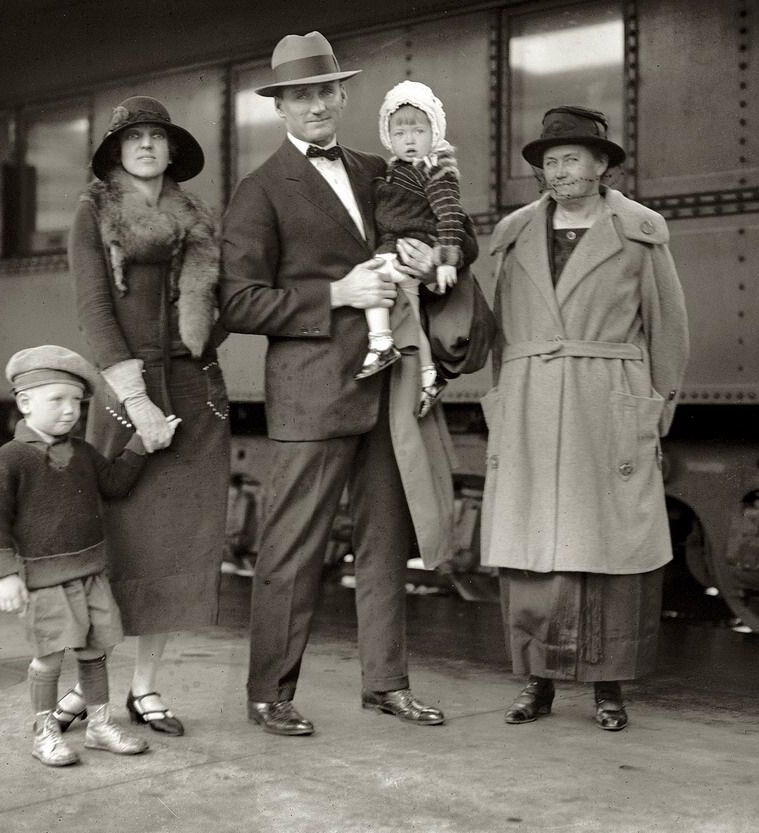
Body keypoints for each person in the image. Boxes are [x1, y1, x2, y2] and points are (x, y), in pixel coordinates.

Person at [219, 31, 475, 736]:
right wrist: (337, 294)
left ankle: (387, 684)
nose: (316, 106)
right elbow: (237, 302)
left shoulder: (379, 168)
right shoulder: (259, 190)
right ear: (280, 107)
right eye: (300, 96)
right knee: (292, 549)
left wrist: (430, 254)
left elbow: (457, 234)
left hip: (388, 388)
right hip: (312, 395)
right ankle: (269, 692)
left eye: (325, 92)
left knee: (386, 545)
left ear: (341, 96)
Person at [482, 106, 689, 731]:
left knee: (611, 552)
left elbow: (668, 329)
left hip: (608, 403)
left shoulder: (640, 232)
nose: (559, 171)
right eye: (550, 161)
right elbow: (499, 332)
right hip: (532, 403)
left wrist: (653, 411)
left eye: (571, 158)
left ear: (601, 165)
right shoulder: (514, 233)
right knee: (533, 551)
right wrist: (503, 402)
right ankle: (536, 683)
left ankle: (609, 688)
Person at [61, 96, 228, 737]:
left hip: (193, 390)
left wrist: (202, 346)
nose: (148, 145)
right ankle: (87, 687)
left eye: (157, 136)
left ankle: (145, 688)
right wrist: (134, 399)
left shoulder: (195, 216)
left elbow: (220, 303)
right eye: (135, 137)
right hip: (126, 389)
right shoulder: (94, 211)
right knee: (115, 543)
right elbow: (93, 308)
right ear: (116, 151)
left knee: (176, 547)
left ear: (171, 148)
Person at [0, 345, 173, 766]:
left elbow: (116, 484)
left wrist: (142, 443)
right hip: (44, 580)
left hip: (91, 575)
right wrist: (5, 575)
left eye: (76, 401)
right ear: (25, 402)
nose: (70, 410)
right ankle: (44, 733)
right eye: (57, 400)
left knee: (95, 651)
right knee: (49, 657)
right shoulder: (7, 461)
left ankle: (100, 727)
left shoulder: (83, 453)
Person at [360, 80, 476, 418]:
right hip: (403, 249)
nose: (409, 140)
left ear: (434, 132)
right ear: (388, 137)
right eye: (399, 133)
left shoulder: (434, 170)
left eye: (419, 131)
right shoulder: (398, 169)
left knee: (374, 276)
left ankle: (381, 342)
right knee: (412, 319)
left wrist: (445, 259)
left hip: (412, 246)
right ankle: (429, 376)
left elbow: (450, 215)